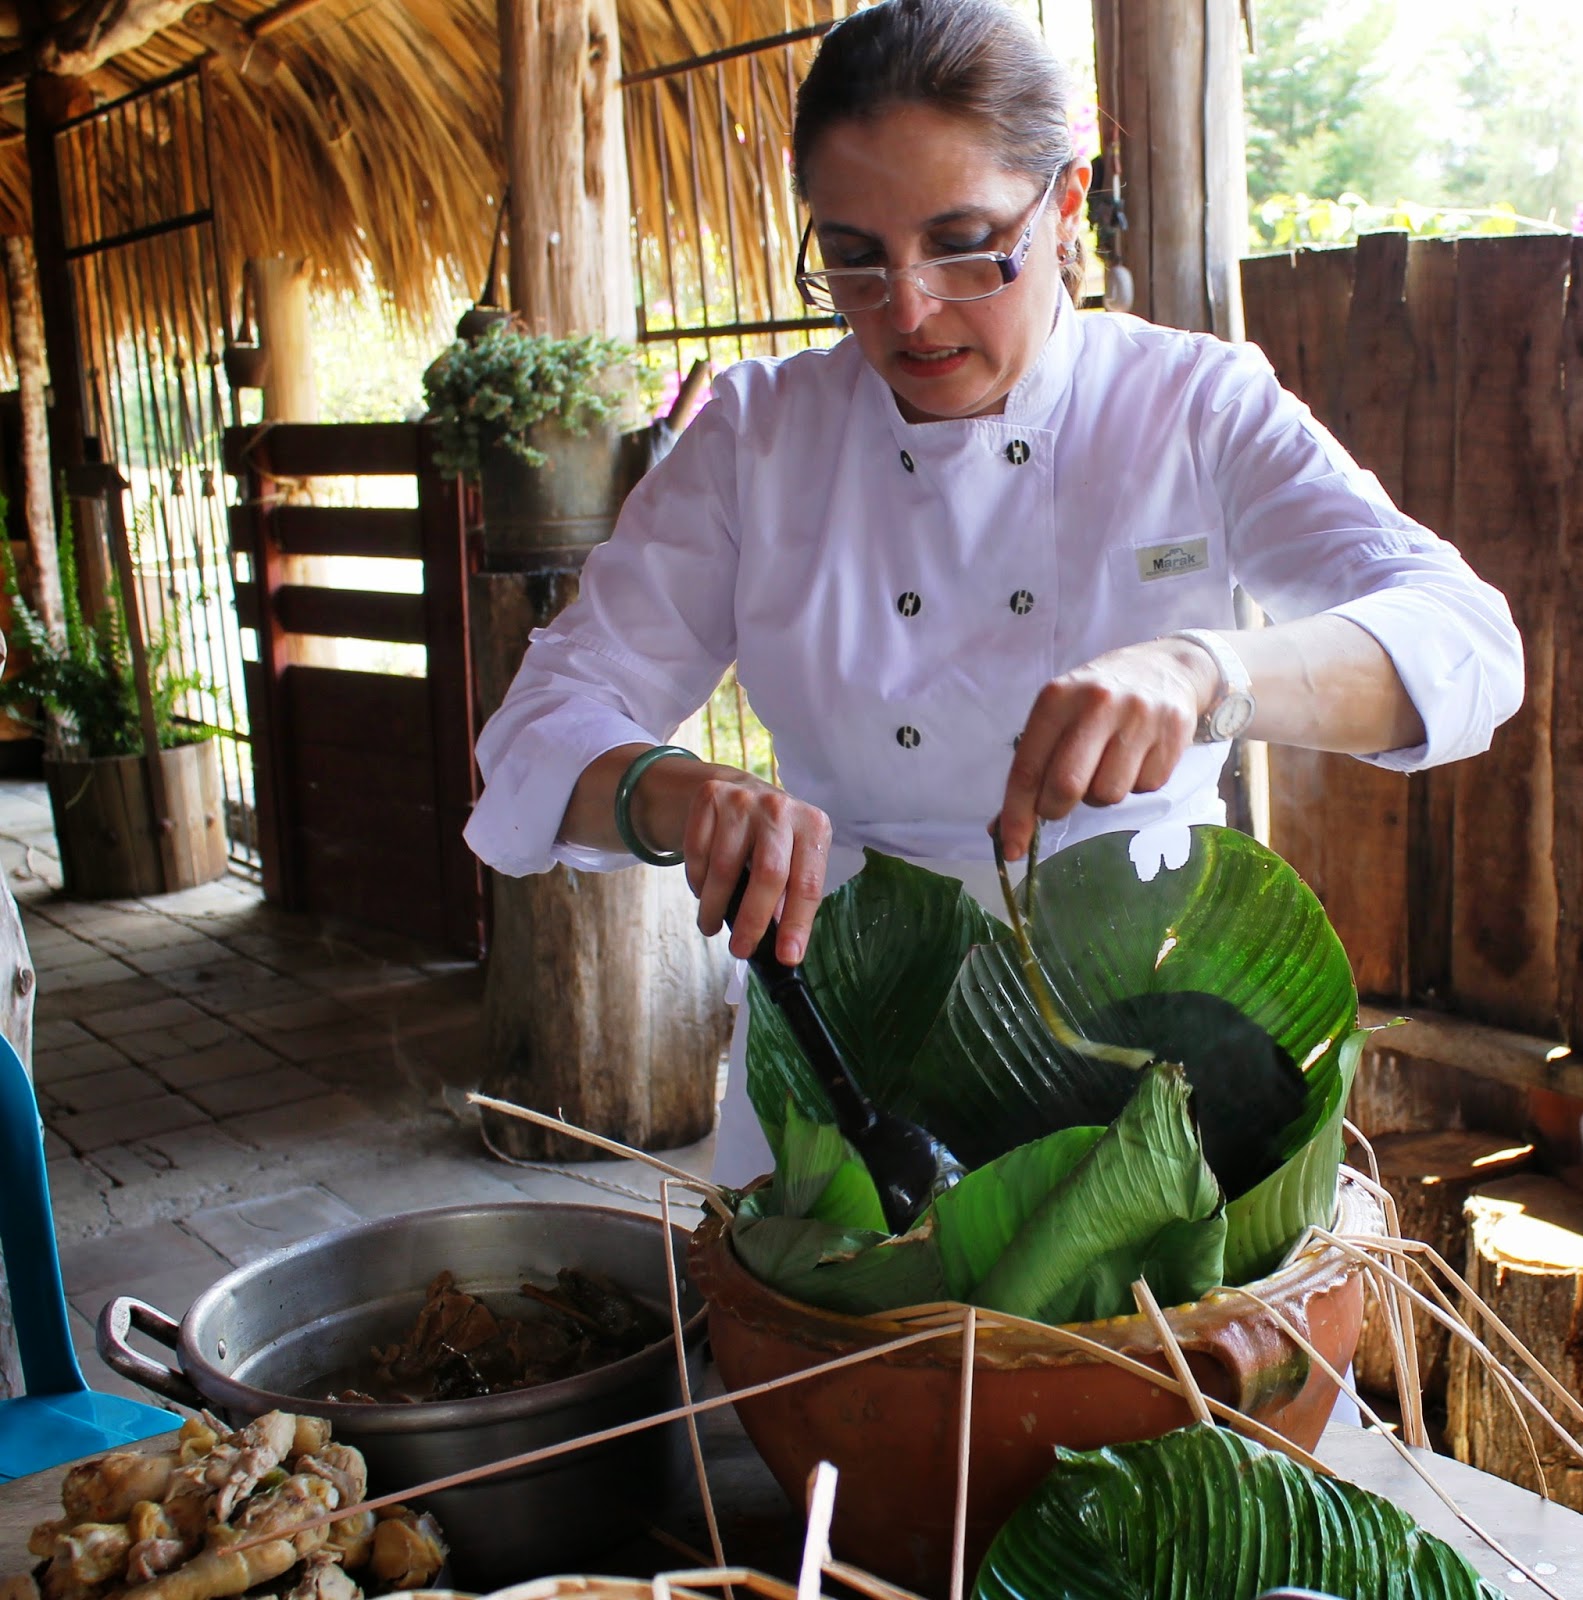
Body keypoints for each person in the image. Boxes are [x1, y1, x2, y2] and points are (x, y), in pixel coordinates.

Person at [464, 0, 1524, 1187]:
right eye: (855, 256)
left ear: (1063, 205)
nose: (907, 309)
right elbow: (536, 731)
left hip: (1147, 1042)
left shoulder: (1191, 404)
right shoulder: (756, 440)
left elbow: (1465, 643)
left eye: (965, 243)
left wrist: (1206, 671)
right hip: (843, 1046)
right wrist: (670, 789)